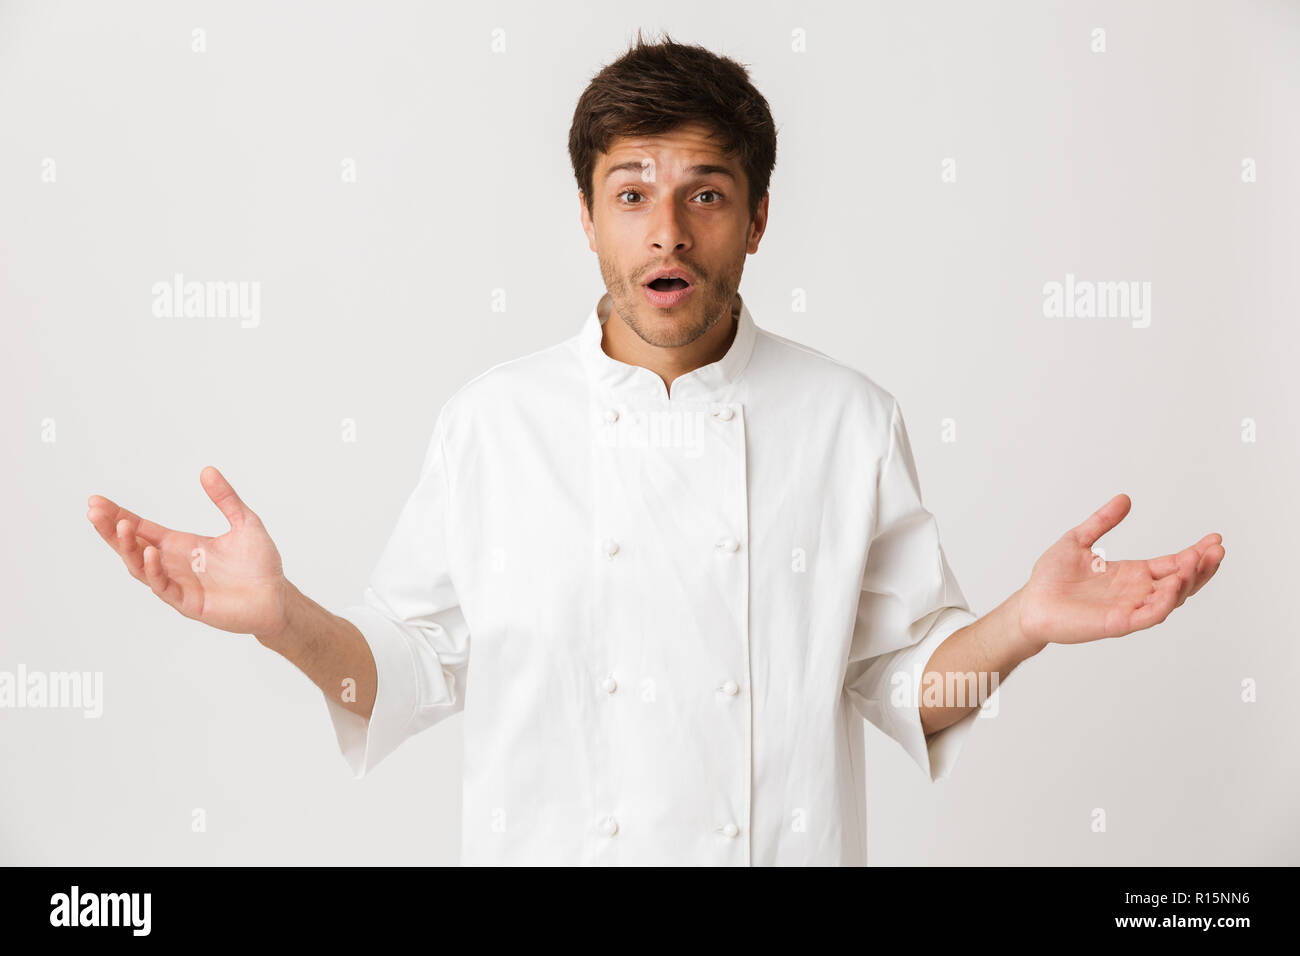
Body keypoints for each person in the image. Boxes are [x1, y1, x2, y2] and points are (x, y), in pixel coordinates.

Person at [85, 33, 1225, 865]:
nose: (666, 230)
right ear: (587, 217)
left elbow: (906, 688)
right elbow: (404, 676)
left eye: (705, 194)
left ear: (758, 217)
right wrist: (279, 617)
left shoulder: (846, 418)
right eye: (631, 194)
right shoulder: (495, 423)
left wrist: (1022, 624)